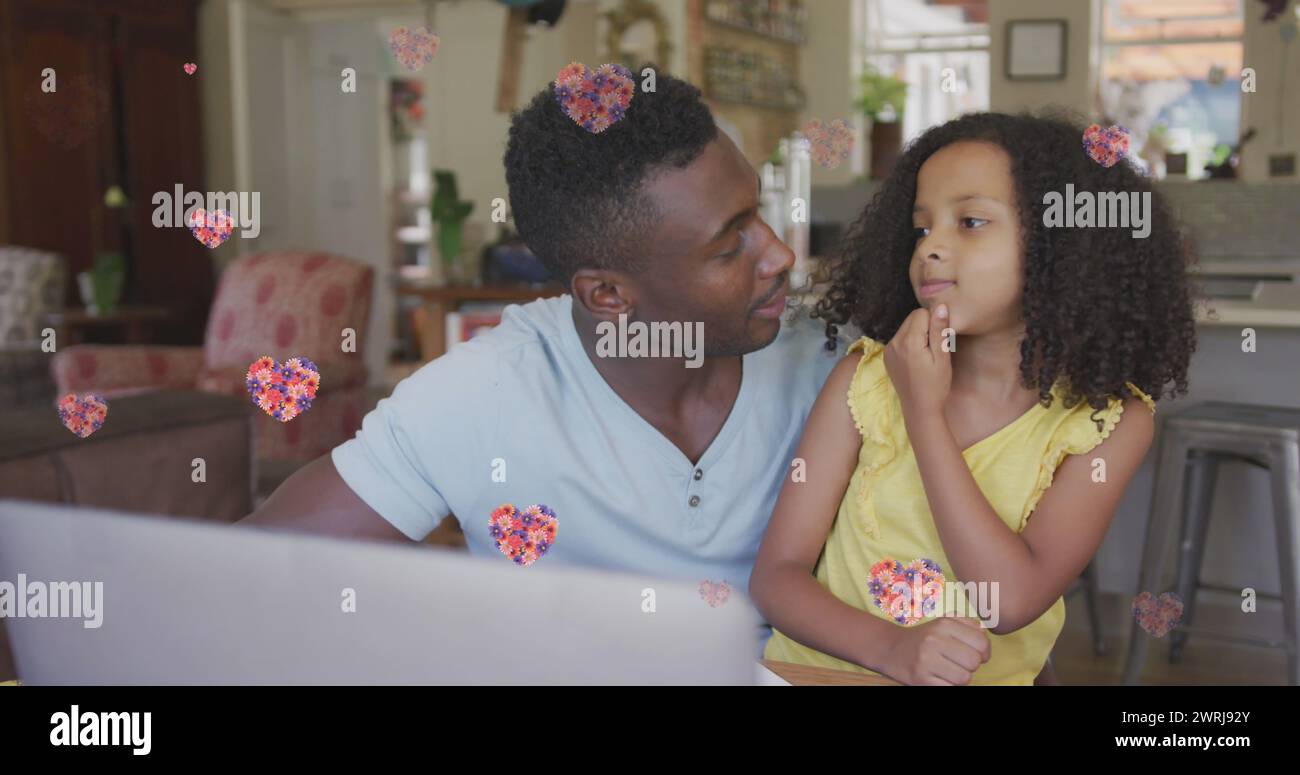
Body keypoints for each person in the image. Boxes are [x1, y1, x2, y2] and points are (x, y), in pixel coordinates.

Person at [242, 73, 838, 596]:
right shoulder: (487, 394)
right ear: (607, 295)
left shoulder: (833, 361)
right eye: (731, 244)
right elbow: (245, 572)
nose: (780, 253)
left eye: (758, 213)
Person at [750, 112, 1198, 685]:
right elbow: (777, 578)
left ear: (1064, 244)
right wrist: (891, 649)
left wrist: (924, 413)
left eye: (970, 222)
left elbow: (1009, 603)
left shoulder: (1108, 423)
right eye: (921, 227)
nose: (931, 247)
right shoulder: (864, 379)